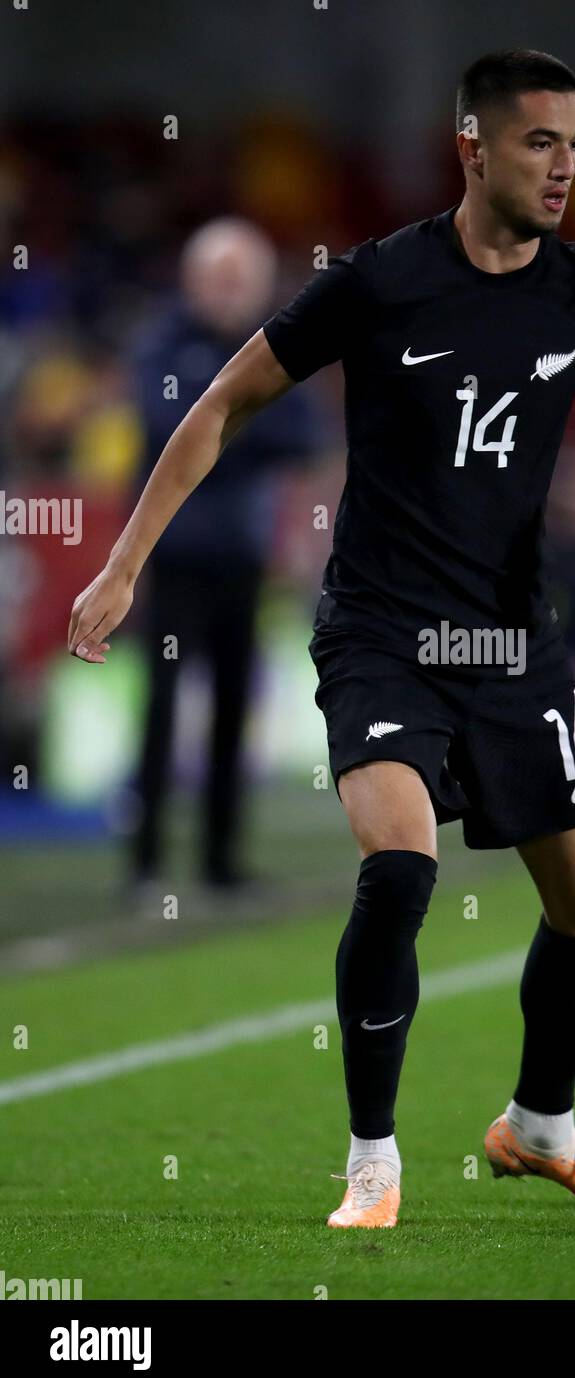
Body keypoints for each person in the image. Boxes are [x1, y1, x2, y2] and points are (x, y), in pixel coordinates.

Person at [68, 50, 575, 1229]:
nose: (565, 167)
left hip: (515, 645)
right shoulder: (378, 281)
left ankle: (539, 1129)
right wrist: (123, 563)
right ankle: (372, 1159)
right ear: (473, 147)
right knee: (400, 865)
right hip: (383, 632)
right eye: (538, 144)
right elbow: (222, 404)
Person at [127, 218, 318, 894]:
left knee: (237, 706)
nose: (231, 291)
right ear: (193, 279)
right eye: (220, 276)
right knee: (162, 704)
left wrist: (217, 427)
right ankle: (145, 861)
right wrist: (238, 421)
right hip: (174, 553)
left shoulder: (271, 346)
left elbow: (302, 434)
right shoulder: (162, 342)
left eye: (242, 278)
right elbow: (162, 425)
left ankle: (220, 860)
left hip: (242, 555)